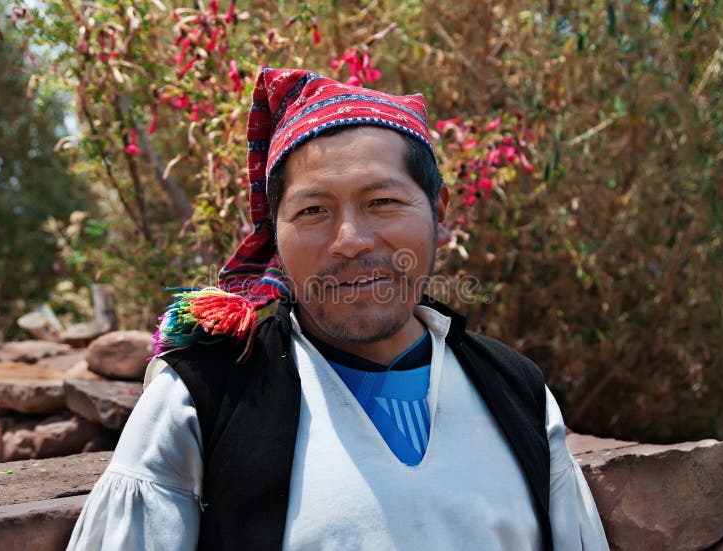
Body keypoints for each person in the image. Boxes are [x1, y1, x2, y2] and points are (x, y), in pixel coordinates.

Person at [68, 68, 609, 550]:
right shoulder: (200, 400)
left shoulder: (517, 391)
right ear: (274, 234)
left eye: (383, 202)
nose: (350, 239)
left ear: (440, 215)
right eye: (313, 210)